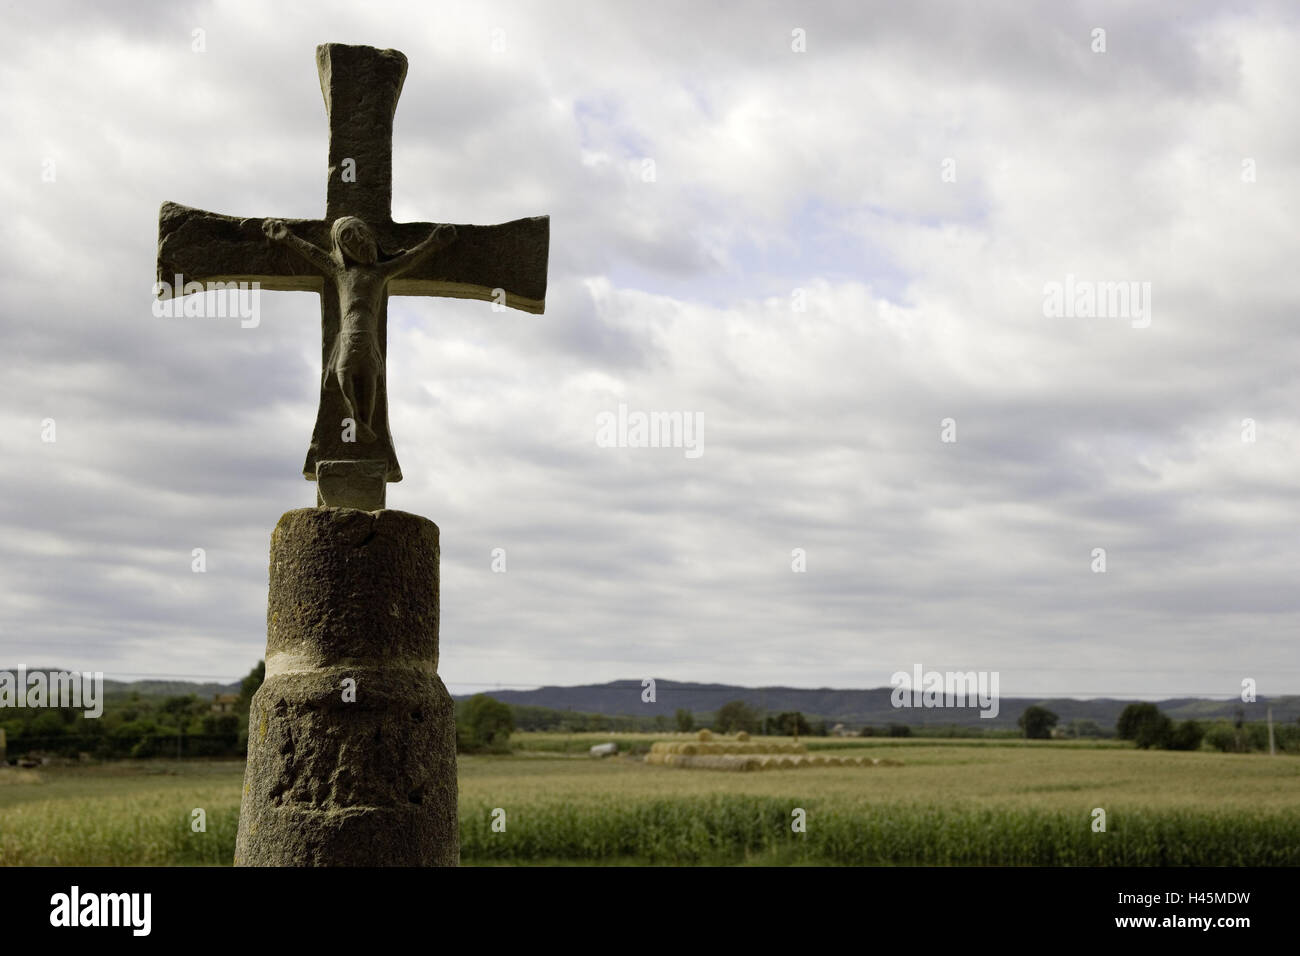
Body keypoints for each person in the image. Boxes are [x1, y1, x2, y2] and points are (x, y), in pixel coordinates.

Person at [262, 215, 457, 442]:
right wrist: (287, 237)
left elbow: (409, 259)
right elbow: (313, 254)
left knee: (369, 386)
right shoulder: (340, 272)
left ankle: (364, 422)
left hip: (368, 341)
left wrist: (434, 242)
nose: (359, 241)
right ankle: (356, 418)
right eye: (349, 238)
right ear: (342, 248)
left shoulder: (380, 272)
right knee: (344, 377)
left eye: (361, 233)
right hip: (347, 339)